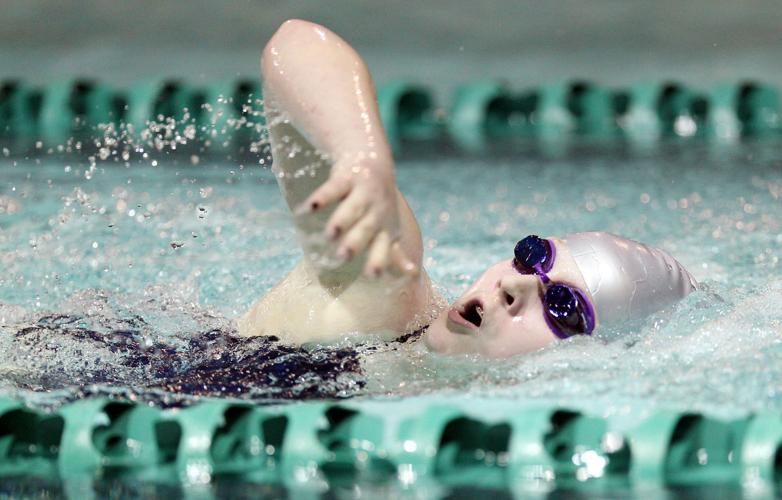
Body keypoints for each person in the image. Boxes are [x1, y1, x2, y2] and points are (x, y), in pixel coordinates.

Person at [237, 19, 697, 358]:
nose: (514, 283)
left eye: (561, 306)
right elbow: (293, 44)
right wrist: (361, 155)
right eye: (532, 255)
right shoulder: (382, 289)